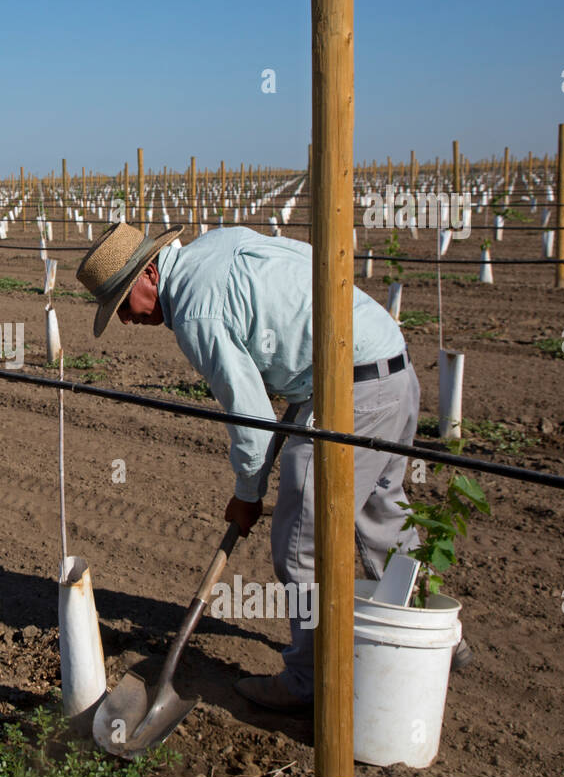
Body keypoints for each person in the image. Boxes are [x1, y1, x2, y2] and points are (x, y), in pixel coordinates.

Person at [75, 221, 469, 713]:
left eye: (122, 305)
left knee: (301, 546)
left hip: (348, 390)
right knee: (382, 512)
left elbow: (252, 420)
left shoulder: (198, 311)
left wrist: (247, 493)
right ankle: (439, 635)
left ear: (149, 272)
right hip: (389, 367)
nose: (126, 322)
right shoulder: (216, 245)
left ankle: (309, 683)